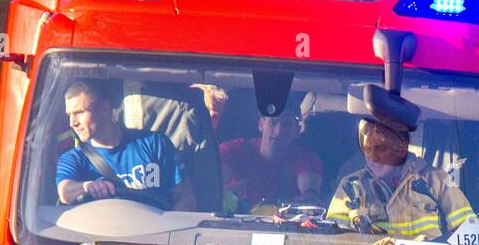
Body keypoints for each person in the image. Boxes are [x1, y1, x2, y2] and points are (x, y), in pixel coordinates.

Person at [325, 118, 478, 240]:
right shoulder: (350, 186)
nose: (372, 157)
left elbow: (473, 238)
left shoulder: (437, 180)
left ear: (401, 148)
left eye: (380, 148)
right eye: (367, 149)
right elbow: (331, 240)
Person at [55, 81, 196, 209]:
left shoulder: (154, 143)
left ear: (105, 109)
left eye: (79, 112)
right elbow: (65, 191)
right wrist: (87, 186)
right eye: (69, 115)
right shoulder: (74, 158)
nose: (72, 122)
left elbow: (185, 198)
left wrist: (166, 230)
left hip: (155, 232)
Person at [218, 110, 323, 213]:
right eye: (273, 122)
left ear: (297, 131)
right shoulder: (233, 150)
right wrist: (229, 194)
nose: (278, 131)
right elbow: (210, 186)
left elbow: (310, 198)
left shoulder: (305, 158)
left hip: (283, 227)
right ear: (261, 125)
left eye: (287, 125)